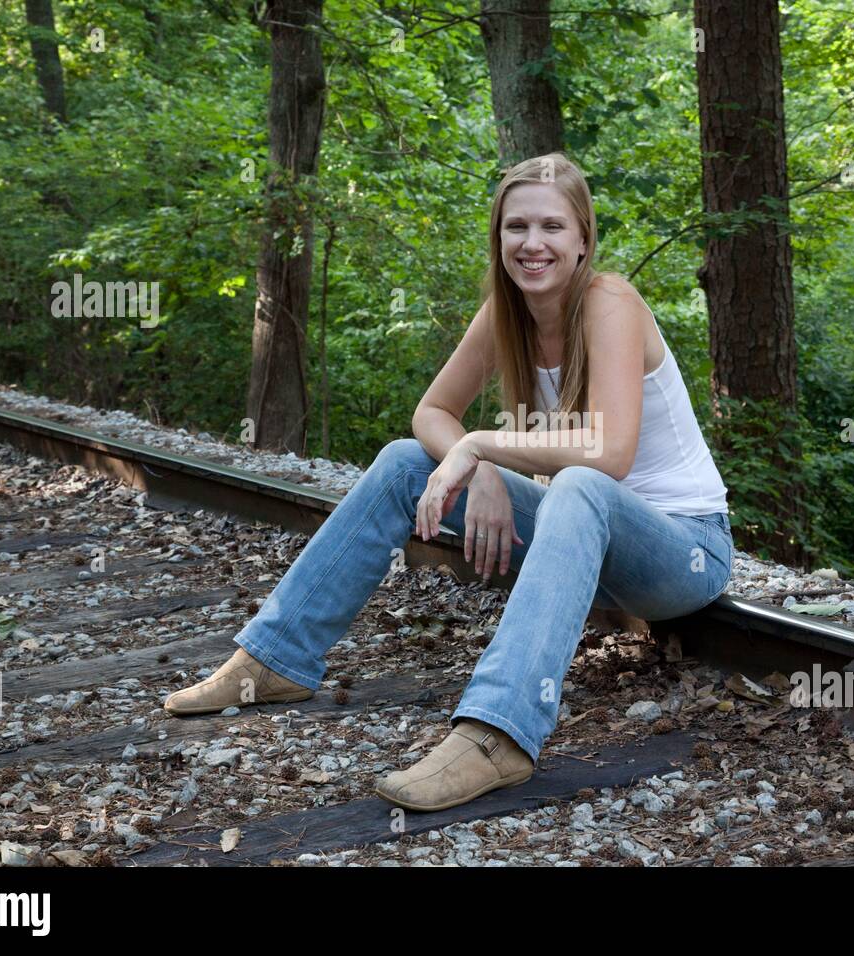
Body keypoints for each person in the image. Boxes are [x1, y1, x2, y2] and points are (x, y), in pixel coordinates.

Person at [163, 152, 734, 813]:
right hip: (576, 542)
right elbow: (431, 414)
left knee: (576, 484)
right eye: (516, 227)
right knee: (408, 460)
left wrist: (478, 445)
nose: (532, 243)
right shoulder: (506, 316)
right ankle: (274, 661)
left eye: (552, 226)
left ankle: (499, 734)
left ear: (582, 240)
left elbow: (609, 455)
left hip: (681, 554)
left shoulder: (609, 302)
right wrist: (481, 468)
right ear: (498, 237)